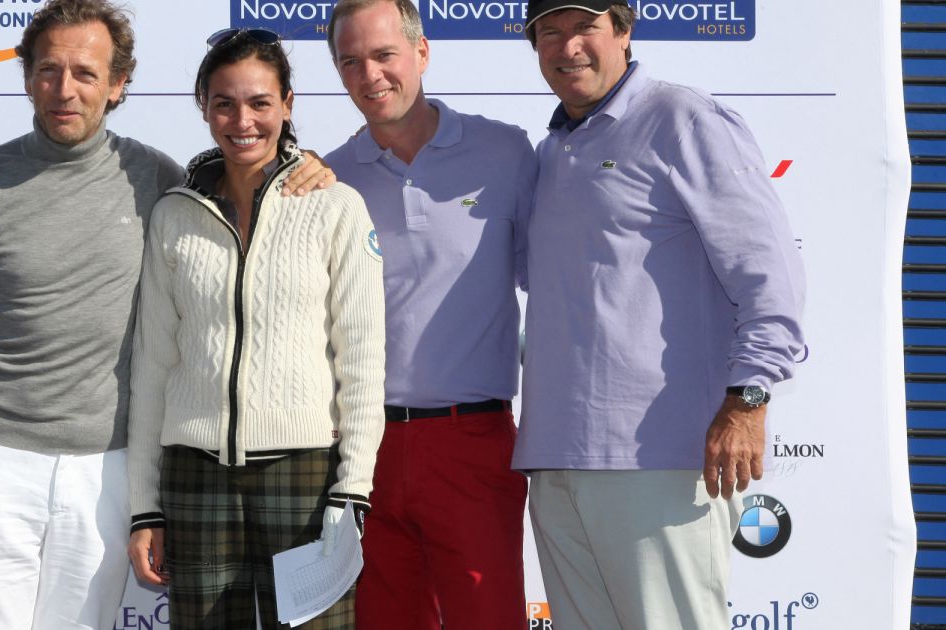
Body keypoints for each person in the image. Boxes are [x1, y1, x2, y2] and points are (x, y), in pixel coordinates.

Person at [0, 2, 332, 628]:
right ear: (27, 77)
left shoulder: (158, 179)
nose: (64, 90)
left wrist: (303, 162)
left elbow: (250, 182)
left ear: (118, 85)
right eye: (48, 70)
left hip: (107, 472)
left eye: (86, 73)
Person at [514, 1, 806, 628]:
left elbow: (768, 271)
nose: (568, 48)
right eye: (551, 33)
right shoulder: (550, 151)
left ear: (623, 30)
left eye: (586, 27)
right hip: (557, 456)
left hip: (662, 460)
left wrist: (749, 399)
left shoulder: (683, 118)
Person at [125, 27, 386, 629]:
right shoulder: (174, 214)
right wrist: (145, 509)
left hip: (305, 476)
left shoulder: (335, 207)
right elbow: (153, 367)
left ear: (287, 104)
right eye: (224, 102)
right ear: (204, 107)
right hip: (196, 474)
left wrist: (352, 491)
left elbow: (363, 362)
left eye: (260, 102)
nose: (242, 120)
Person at [322, 1, 536, 628]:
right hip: (363, 448)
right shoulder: (327, 178)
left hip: (471, 442)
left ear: (422, 52)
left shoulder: (505, 151)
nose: (371, 75)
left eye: (384, 55)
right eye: (351, 61)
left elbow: (554, 286)